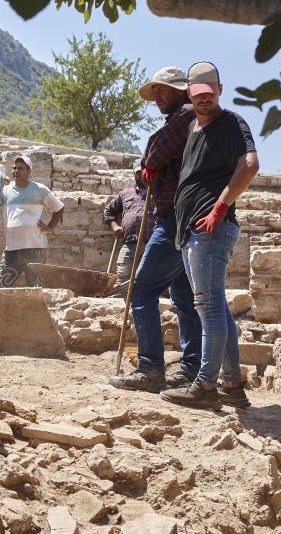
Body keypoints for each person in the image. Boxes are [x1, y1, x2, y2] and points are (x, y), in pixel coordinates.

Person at [161, 62, 259, 410]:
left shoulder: (230, 122)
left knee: (208, 308)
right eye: (198, 95)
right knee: (216, 307)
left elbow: (249, 165)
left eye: (209, 94)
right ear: (190, 93)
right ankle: (232, 387)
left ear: (220, 88)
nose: (204, 100)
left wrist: (219, 207)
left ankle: (205, 386)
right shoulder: (193, 128)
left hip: (211, 229)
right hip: (193, 232)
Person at [109, 66, 202, 394]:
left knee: (143, 291)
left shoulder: (186, 113)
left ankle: (150, 368)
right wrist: (147, 170)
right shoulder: (186, 117)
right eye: (156, 91)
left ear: (181, 90)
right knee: (184, 298)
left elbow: (155, 151)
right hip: (178, 217)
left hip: (174, 219)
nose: (158, 96)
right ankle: (192, 368)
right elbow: (153, 164)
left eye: (164, 89)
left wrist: (149, 164)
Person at [0, 155, 64, 287]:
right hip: (11, 250)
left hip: (34, 249)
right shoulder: (5, 191)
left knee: (35, 289)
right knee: (1, 286)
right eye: (14, 168)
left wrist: (50, 227)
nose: (15, 171)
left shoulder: (39, 189)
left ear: (29, 171)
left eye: (20, 168)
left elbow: (59, 208)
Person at [103, 160, 153, 296]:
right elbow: (109, 211)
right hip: (130, 243)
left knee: (148, 281)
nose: (140, 176)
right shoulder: (125, 194)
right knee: (123, 279)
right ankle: (117, 307)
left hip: (152, 245)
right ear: (134, 175)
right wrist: (115, 226)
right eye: (137, 173)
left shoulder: (157, 193)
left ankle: (141, 308)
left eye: (142, 173)